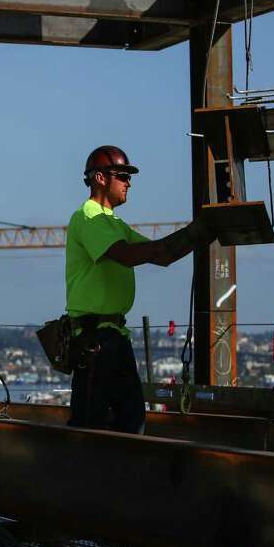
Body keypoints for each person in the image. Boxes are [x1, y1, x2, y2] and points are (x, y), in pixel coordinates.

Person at [66, 145, 215, 433]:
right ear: (100, 178)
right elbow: (128, 255)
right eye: (122, 175)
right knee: (90, 424)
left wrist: (203, 233)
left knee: (132, 420)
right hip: (94, 338)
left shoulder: (113, 223)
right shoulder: (88, 216)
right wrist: (200, 230)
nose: (128, 182)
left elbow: (161, 255)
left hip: (113, 336)